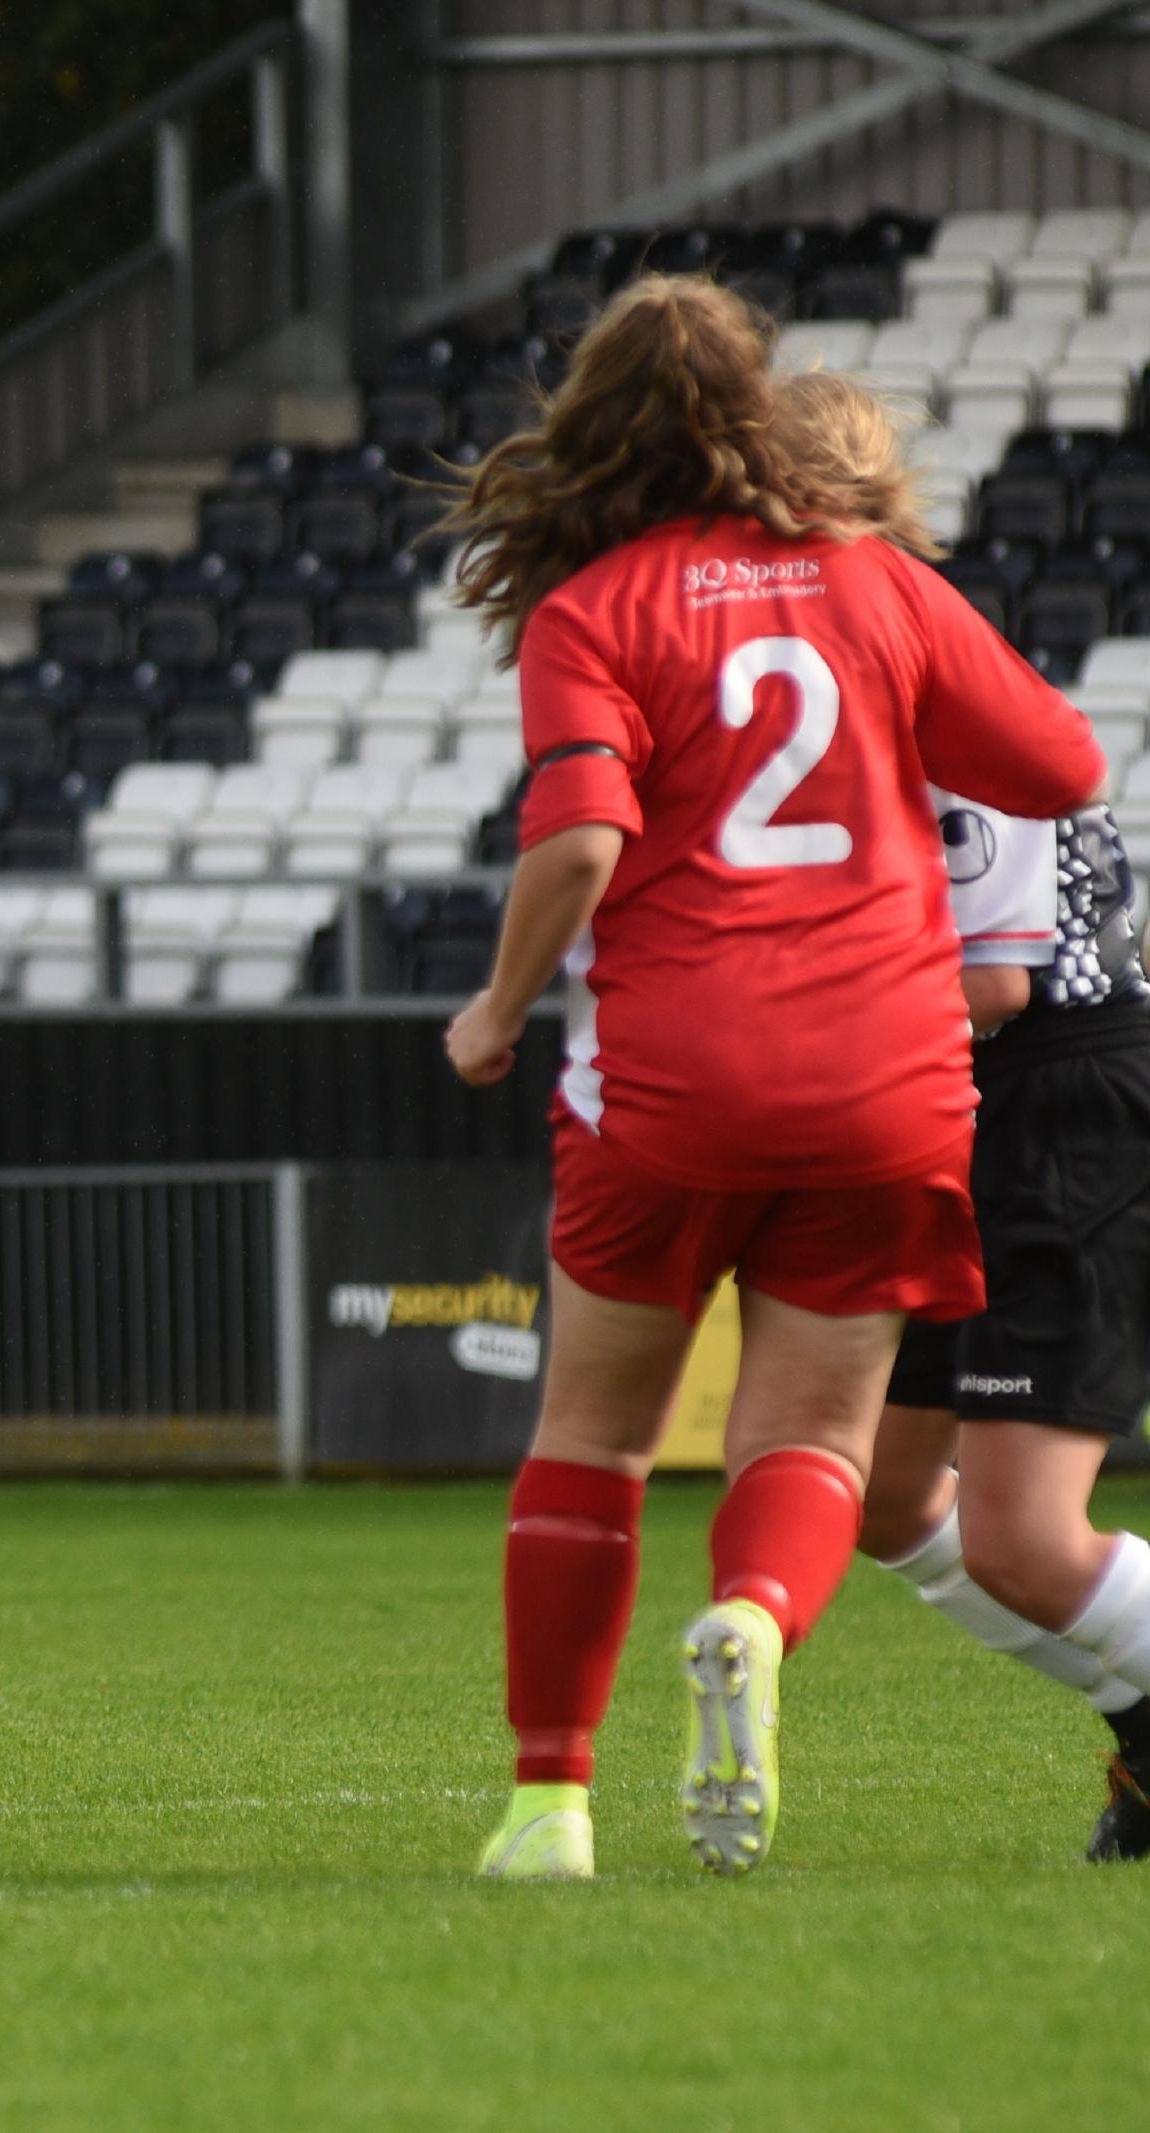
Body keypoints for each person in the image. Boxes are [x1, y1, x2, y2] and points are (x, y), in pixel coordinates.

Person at [439, 279, 1103, 1882]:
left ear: (594, 423)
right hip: (887, 1077)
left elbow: (585, 835)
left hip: (674, 1080)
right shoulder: (871, 578)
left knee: (593, 1437)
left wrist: (497, 1005)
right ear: (752, 408)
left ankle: (549, 1806)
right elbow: (1066, 768)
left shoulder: (593, 608)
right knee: (810, 1432)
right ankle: (749, 1616)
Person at [743, 376, 1150, 1862]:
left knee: (1024, 1540)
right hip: (954, 1111)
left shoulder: (914, 639)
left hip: (1052, 1100)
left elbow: (989, 980)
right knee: (889, 1492)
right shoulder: (823, 646)